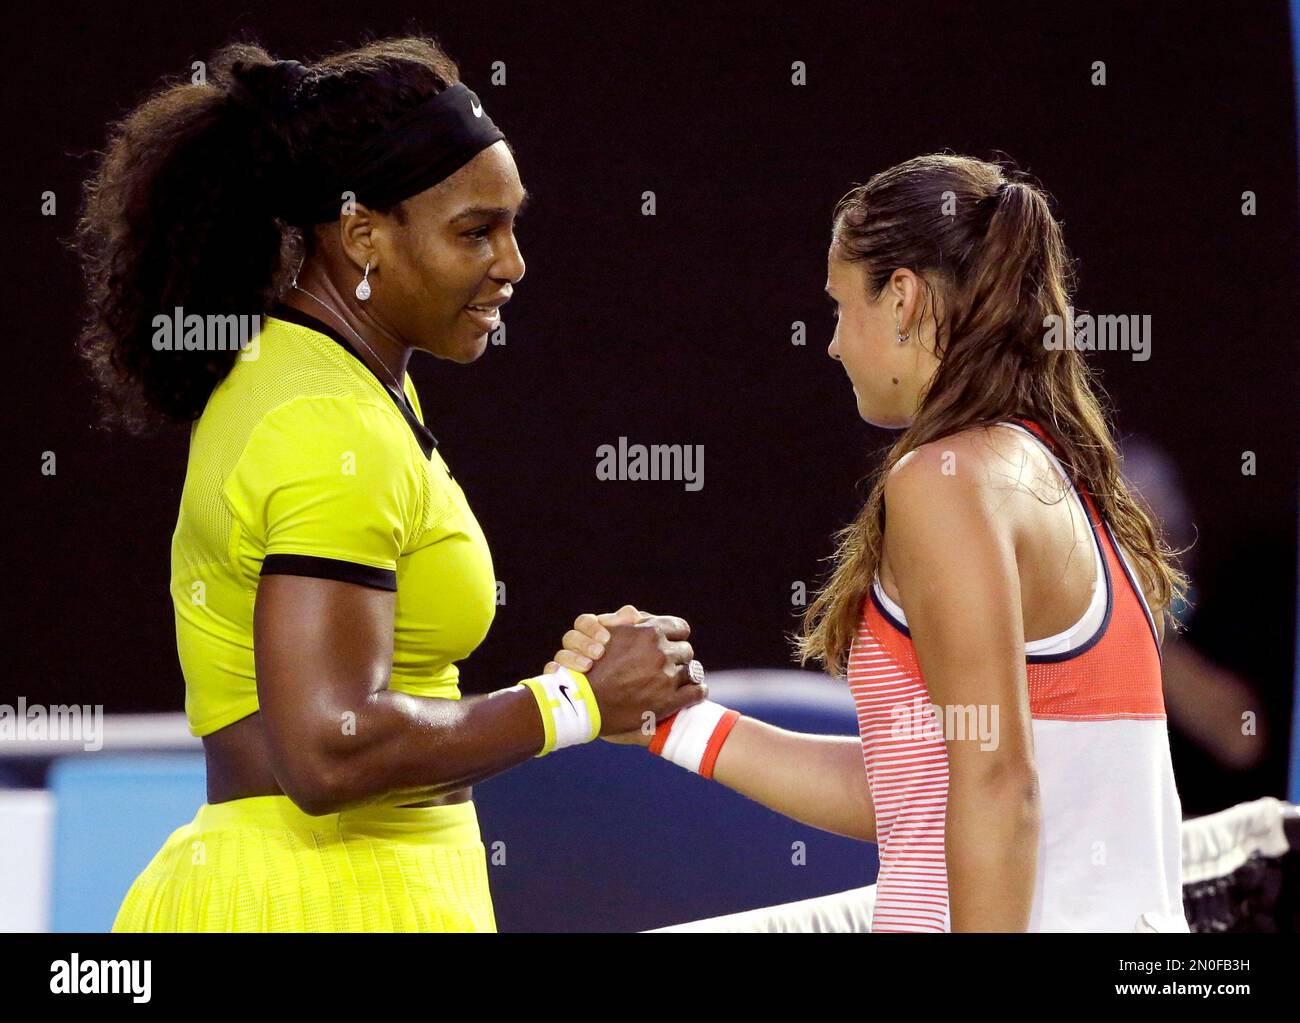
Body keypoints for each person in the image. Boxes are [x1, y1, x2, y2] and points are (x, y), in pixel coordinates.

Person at [73, 35, 702, 932]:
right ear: (363, 233)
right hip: (320, 904)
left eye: (514, 223)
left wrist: (570, 688)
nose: (512, 263)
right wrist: (575, 702)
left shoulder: (334, 378)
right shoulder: (328, 423)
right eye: (475, 230)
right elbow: (329, 751)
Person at [553, 154, 1192, 932]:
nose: (830, 344)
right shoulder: (1056, 473)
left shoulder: (945, 479)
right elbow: (925, 789)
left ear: (901, 297)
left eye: (837, 305)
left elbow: (997, 782)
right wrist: (673, 720)